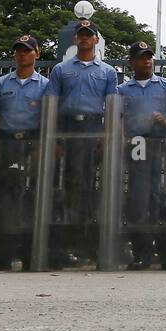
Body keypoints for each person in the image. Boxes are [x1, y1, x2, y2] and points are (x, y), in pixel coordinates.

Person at [43, 18, 119, 267]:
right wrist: (53, 137)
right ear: (76, 39)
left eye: (89, 34)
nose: (84, 38)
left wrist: (105, 137)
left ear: (97, 39)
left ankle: (86, 244)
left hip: (92, 127)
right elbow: (52, 105)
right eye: (81, 34)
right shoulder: (61, 69)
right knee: (62, 186)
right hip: (66, 127)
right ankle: (61, 247)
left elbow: (111, 106)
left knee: (88, 186)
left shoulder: (107, 71)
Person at [0, 34, 49, 269]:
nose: (22, 54)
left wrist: (42, 148)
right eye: (19, 50)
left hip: (33, 145)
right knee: (4, 200)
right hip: (6, 144)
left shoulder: (46, 86)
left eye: (27, 50)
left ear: (37, 54)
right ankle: (1, 256)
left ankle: (29, 255)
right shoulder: (0, 84)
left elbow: (47, 119)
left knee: (32, 199)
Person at [117, 40, 166, 269]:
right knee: (139, 199)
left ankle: (165, 251)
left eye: (149, 56)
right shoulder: (123, 90)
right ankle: (142, 252)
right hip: (137, 144)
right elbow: (117, 117)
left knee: (160, 196)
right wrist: (123, 138)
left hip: (160, 143)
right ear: (131, 62)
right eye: (141, 57)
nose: (147, 60)